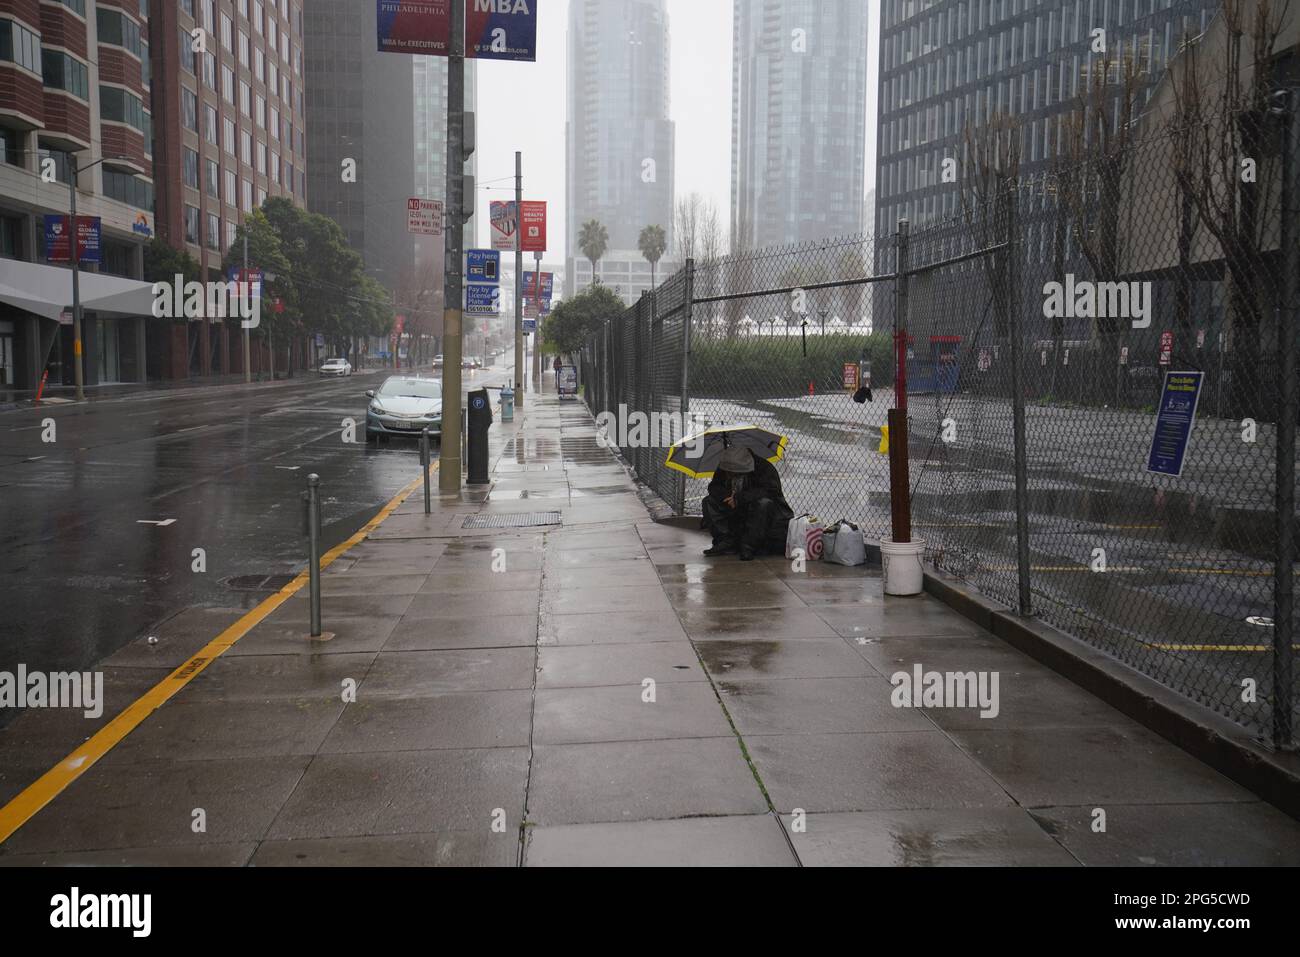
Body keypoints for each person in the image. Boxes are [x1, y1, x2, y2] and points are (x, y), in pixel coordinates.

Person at [701, 446, 794, 561]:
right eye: (729, 472)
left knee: (764, 504)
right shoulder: (725, 467)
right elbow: (714, 486)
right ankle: (725, 541)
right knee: (708, 501)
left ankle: (748, 546)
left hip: (760, 514)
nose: (730, 474)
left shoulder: (764, 468)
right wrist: (727, 496)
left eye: (734, 472)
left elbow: (770, 491)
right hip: (735, 509)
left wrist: (740, 498)